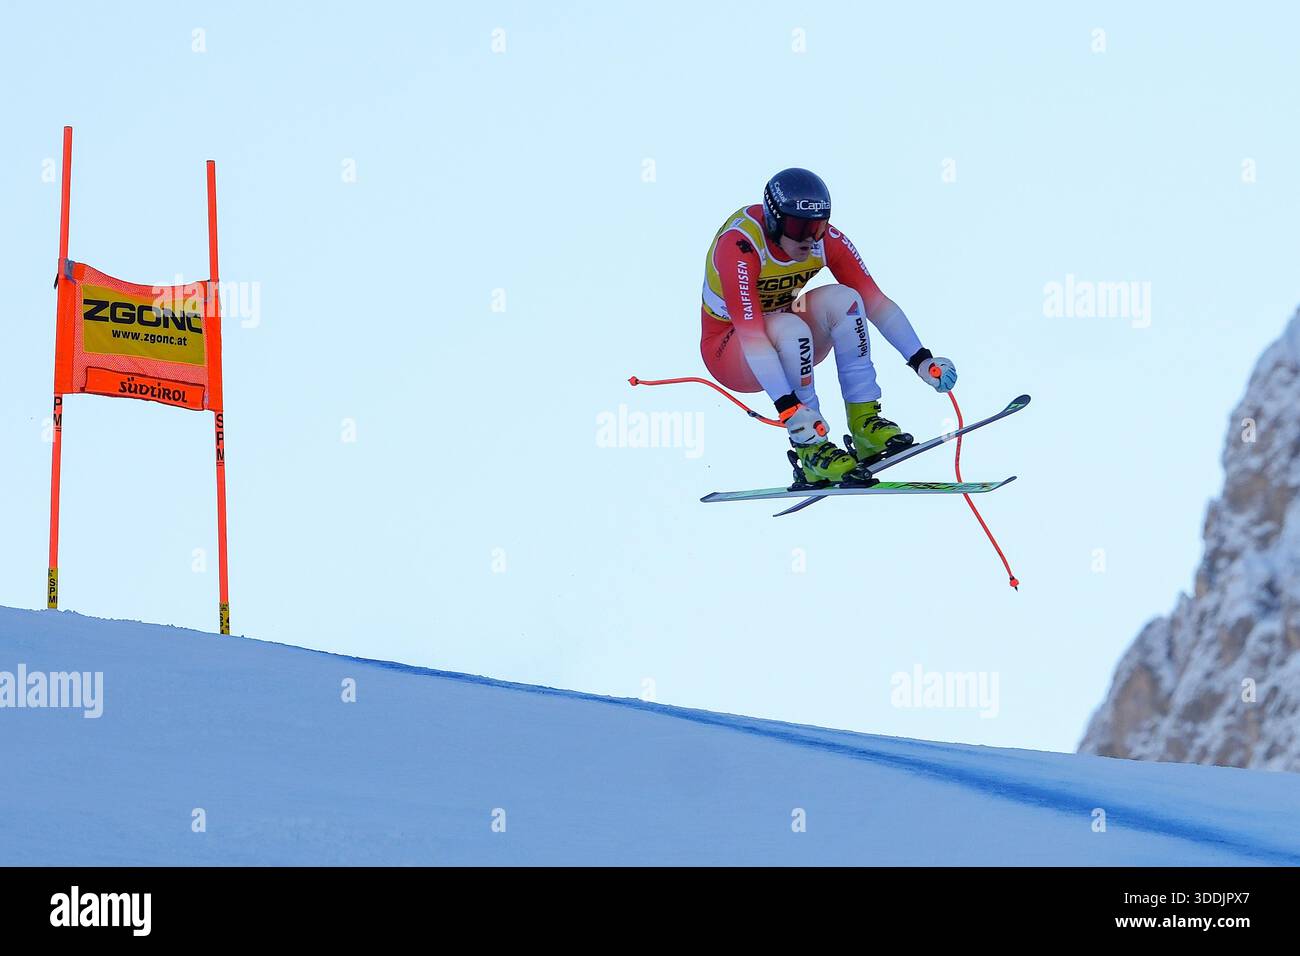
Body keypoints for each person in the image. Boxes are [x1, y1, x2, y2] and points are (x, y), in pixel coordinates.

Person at [700, 168, 957, 482]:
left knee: (846, 300)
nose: (809, 238)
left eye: (818, 226)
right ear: (773, 220)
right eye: (798, 227)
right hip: (730, 348)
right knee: (790, 329)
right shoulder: (740, 246)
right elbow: (751, 335)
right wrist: (789, 408)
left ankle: (865, 425)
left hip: (786, 330)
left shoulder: (825, 241)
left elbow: (876, 301)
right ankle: (811, 448)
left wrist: (921, 359)